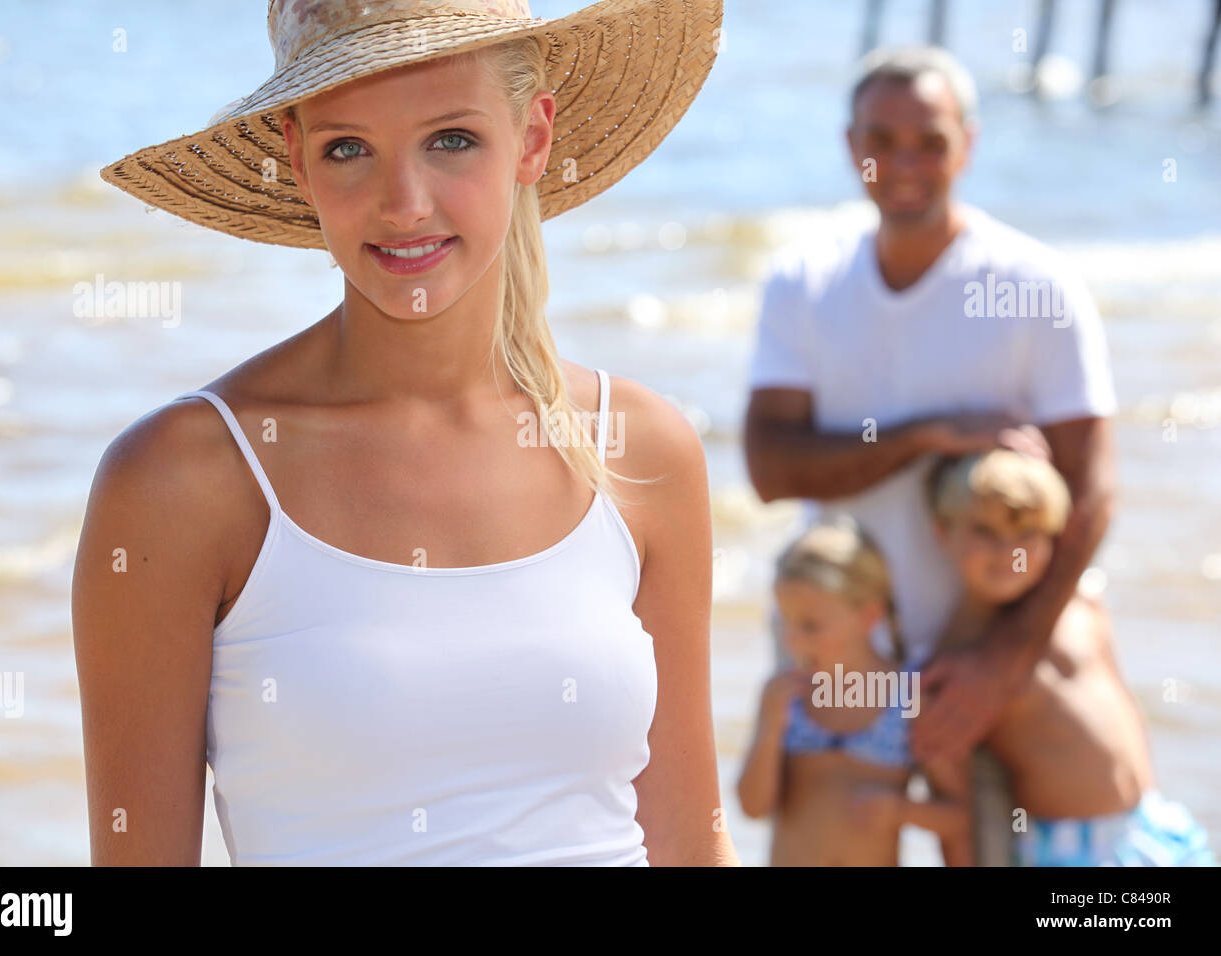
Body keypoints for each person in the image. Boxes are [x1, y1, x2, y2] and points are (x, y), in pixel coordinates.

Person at [73, 0, 735, 866]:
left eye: (451, 139)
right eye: (348, 148)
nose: (405, 204)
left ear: (533, 137)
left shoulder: (640, 452)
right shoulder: (184, 481)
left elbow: (693, 844)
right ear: (296, 162)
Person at [742, 45, 1118, 864]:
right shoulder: (803, 279)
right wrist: (925, 437)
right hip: (842, 642)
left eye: (931, 141)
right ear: (850, 146)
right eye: (882, 138)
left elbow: (1092, 492)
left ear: (969, 145)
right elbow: (771, 467)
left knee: (1006, 856)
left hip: (983, 651)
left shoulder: (1036, 285)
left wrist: (1003, 659)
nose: (904, 162)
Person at [926, 450, 1217, 866]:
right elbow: (955, 804)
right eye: (984, 531)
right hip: (1070, 846)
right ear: (943, 530)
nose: (1008, 551)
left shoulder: (1081, 603)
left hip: (1152, 823)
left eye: (1026, 533)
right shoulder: (955, 662)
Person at [736, 517, 970, 866]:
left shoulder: (906, 698)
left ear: (868, 615)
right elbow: (753, 808)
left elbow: (959, 816)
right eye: (786, 622)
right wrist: (770, 729)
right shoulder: (787, 697)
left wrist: (901, 812)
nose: (794, 641)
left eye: (811, 625)